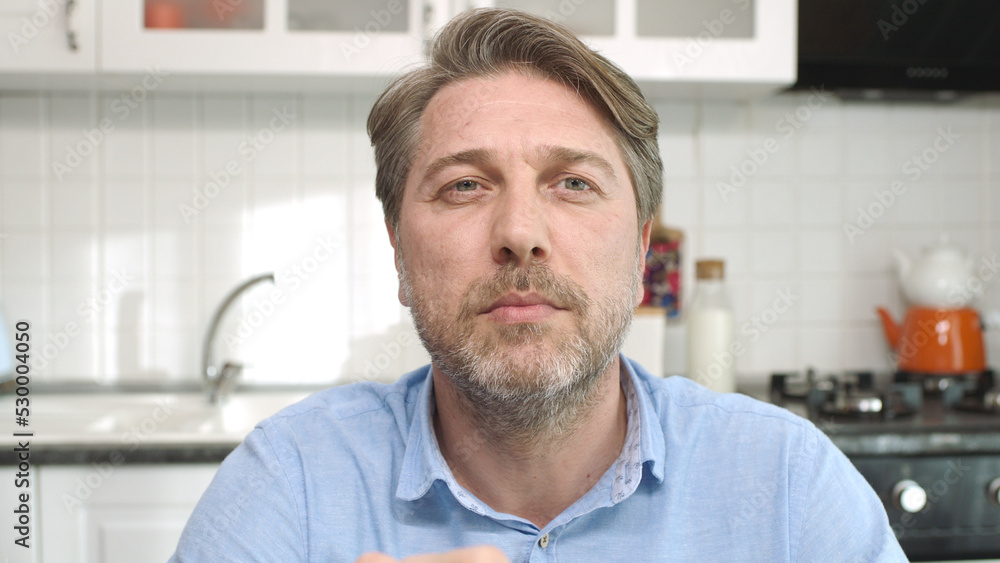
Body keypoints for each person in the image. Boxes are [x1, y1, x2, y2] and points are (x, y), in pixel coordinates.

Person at [171, 8, 906, 563]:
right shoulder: (289, 483)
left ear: (642, 249)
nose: (519, 231)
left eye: (573, 182)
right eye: (464, 184)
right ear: (398, 252)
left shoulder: (788, 482)